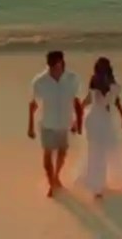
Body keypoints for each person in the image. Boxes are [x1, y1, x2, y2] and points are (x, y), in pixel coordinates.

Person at [28, 49, 83, 197]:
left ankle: (56, 176)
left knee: (62, 153)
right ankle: (51, 184)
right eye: (50, 65)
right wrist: (30, 127)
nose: (53, 68)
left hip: (65, 122)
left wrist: (77, 123)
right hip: (47, 122)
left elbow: (76, 102)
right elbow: (33, 105)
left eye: (55, 65)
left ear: (62, 62)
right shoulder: (39, 81)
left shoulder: (72, 79)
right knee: (47, 153)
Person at [76, 56, 122, 199]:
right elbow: (111, 100)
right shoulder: (107, 83)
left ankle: (97, 184)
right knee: (99, 153)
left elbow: (91, 99)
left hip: (96, 119)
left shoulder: (99, 81)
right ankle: (97, 186)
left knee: (96, 152)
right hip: (100, 120)